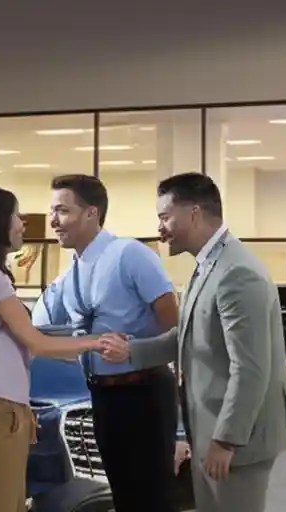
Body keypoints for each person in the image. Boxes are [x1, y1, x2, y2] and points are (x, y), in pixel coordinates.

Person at [100, 173, 286, 512]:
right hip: (210, 430)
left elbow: (250, 368)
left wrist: (226, 439)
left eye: (165, 216)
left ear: (193, 213)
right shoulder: (208, 265)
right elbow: (187, 335)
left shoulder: (238, 273)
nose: (160, 227)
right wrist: (131, 351)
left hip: (237, 438)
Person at [0, 186, 105, 512]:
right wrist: (95, 343)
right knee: (3, 505)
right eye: (16, 216)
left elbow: (19, 336)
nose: (23, 224)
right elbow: (34, 341)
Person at [30, 174, 180, 512]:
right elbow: (41, 325)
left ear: (91, 213)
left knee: (153, 497)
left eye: (62, 210)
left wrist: (182, 428)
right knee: (123, 494)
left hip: (144, 393)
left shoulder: (130, 254)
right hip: (101, 395)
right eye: (52, 211)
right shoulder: (71, 272)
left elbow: (175, 326)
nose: (53, 220)